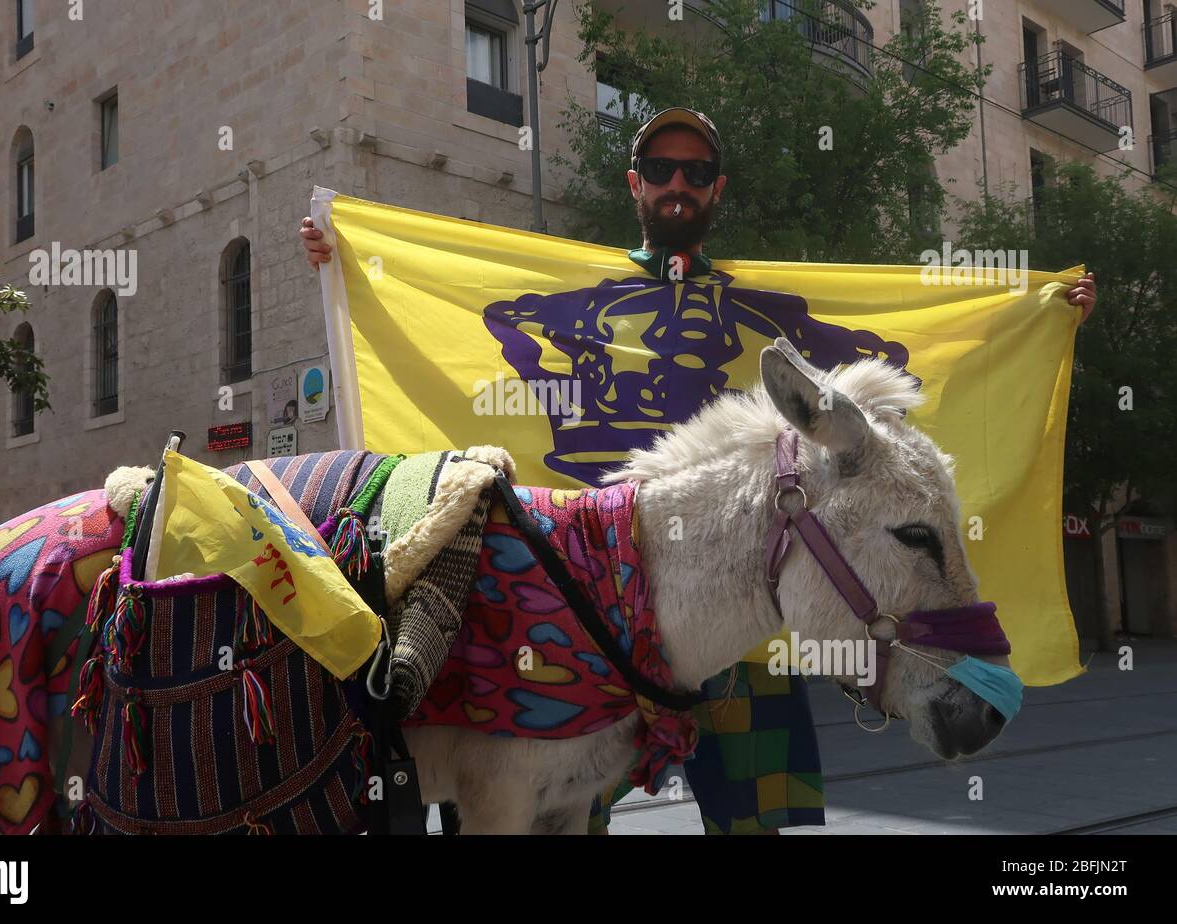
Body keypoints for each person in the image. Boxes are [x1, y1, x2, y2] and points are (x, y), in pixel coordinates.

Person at [299, 108, 1097, 834]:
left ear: (718, 189)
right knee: (560, 822)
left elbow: (898, 373)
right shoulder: (570, 295)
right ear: (634, 183)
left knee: (761, 828)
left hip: (742, 639)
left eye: (696, 171)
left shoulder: (771, 311)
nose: (677, 184)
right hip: (586, 631)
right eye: (660, 168)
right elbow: (454, 347)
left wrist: (1038, 310)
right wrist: (351, 266)